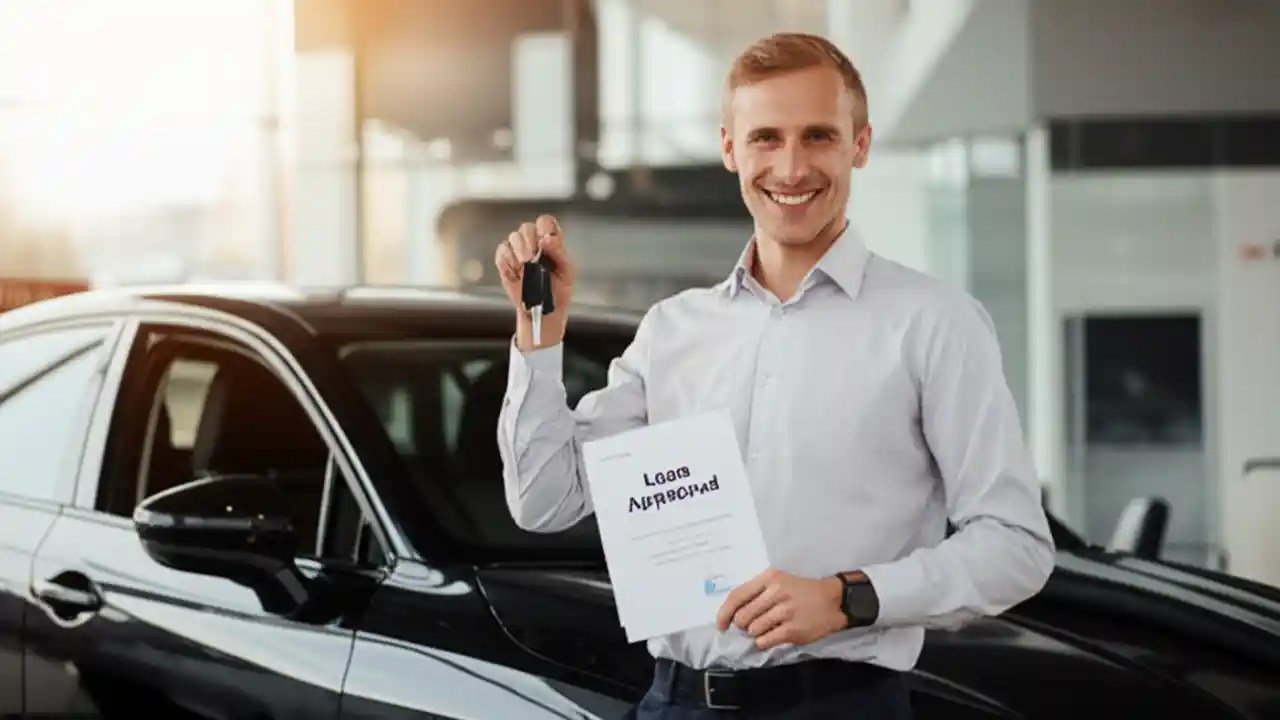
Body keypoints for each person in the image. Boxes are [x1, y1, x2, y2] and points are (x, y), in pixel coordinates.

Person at [493, 32, 1055, 720]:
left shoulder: (934, 323)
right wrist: (540, 329)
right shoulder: (673, 330)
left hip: (837, 708)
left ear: (860, 145)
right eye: (766, 138)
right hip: (675, 703)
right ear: (730, 148)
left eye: (818, 136)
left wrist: (847, 597)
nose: (790, 167)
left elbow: (1016, 546)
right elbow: (544, 502)